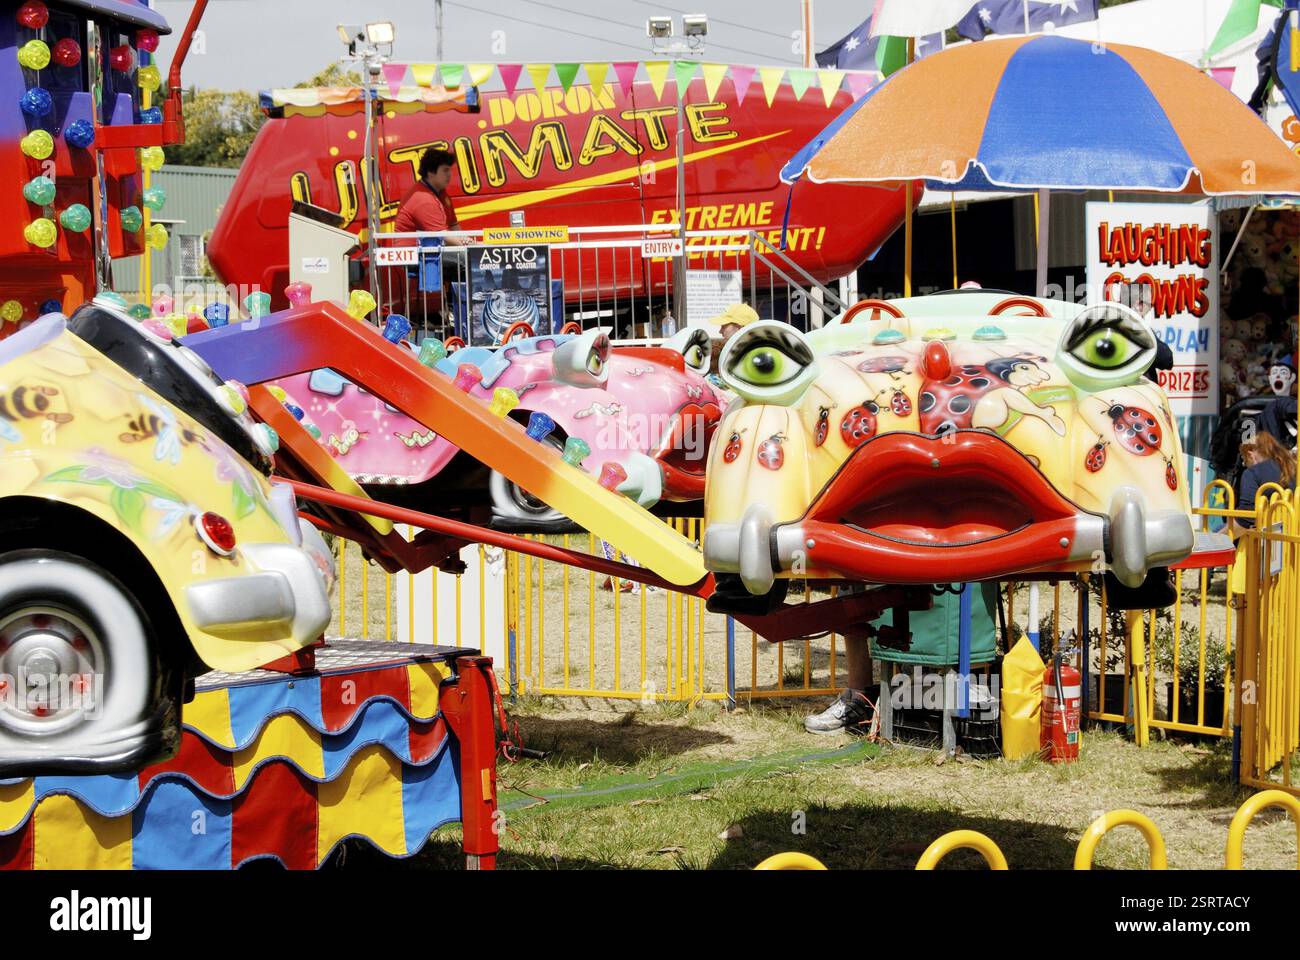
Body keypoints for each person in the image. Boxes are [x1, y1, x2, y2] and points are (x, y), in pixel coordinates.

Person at [394, 147, 466, 244]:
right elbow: (446, 237)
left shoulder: (441, 193)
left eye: (450, 170)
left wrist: (472, 245)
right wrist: (475, 246)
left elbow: (454, 227)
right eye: (445, 170)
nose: (450, 174)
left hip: (429, 254)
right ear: (431, 172)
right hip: (416, 257)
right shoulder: (424, 199)